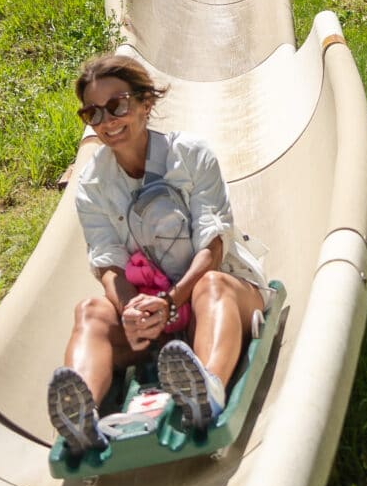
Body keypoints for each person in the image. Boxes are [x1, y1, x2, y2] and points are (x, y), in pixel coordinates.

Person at [46, 54, 268, 456]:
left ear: (145, 103)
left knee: (212, 285)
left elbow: (213, 245)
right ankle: (80, 417)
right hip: (153, 314)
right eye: (93, 113)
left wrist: (170, 302)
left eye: (118, 105)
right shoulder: (93, 185)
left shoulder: (191, 155)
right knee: (91, 311)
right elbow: (108, 262)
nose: (108, 121)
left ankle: (208, 389)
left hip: (213, 296)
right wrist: (132, 311)